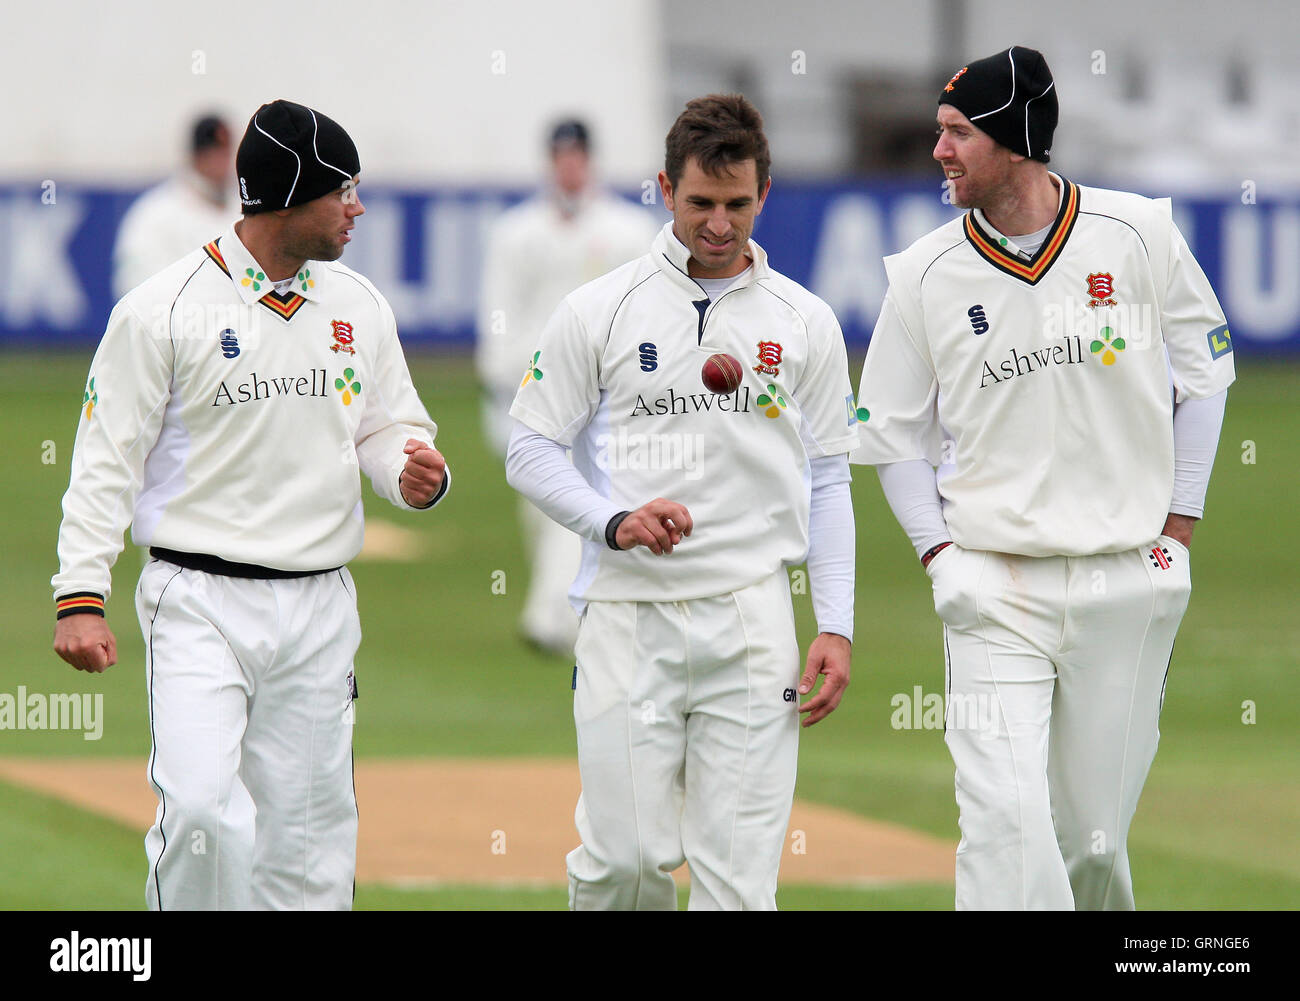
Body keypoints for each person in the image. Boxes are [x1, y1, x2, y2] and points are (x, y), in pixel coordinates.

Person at [851, 46, 1235, 910]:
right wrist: (940, 556)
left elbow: (1206, 370)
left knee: (1089, 846)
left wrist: (1179, 525)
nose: (938, 151)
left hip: (1127, 579)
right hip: (992, 584)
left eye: (956, 133)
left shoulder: (1137, 233)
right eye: (939, 132)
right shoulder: (921, 275)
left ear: (1016, 137)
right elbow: (889, 434)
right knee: (1001, 823)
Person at [51, 99, 450, 911]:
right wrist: (79, 596)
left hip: (319, 602)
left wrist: (409, 466)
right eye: (344, 190)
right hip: (197, 598)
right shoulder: (162, 310)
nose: (358, 208)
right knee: (201, 814)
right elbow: (105, 460)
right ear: (289, 193)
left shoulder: (358, 306)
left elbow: (386, 424)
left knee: (308, 839)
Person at [505, 94, 858, 910]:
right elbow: (530, 447)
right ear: (667, 190)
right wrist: (614, 521)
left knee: (737, 882)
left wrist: (834, 621)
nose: (719, 224)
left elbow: (831, 478)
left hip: (753, 615)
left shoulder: (805, 321)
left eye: (737, 204)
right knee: (623, 863)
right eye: (700, 202)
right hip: (628, 615)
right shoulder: (600, 309)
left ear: (764, 194)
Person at [478, 118, 657, 655]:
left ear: (590, 160)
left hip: (603, 393)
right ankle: (575, 606)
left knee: (577, 491)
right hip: (528, 389)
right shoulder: (517, 232)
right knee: (542, 509)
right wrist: (502, 377)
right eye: (561, 157)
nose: (569, 167)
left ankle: (551, 619)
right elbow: (498, 311)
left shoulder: (629, 229)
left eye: (577, 156)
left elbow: (642, 312)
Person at [112, 113, 239, 299]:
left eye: (226, 154)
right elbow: (135, 287)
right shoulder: (155, 214)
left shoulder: (243, 209)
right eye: (214, 155)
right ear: (197, 157)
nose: (223, 164)